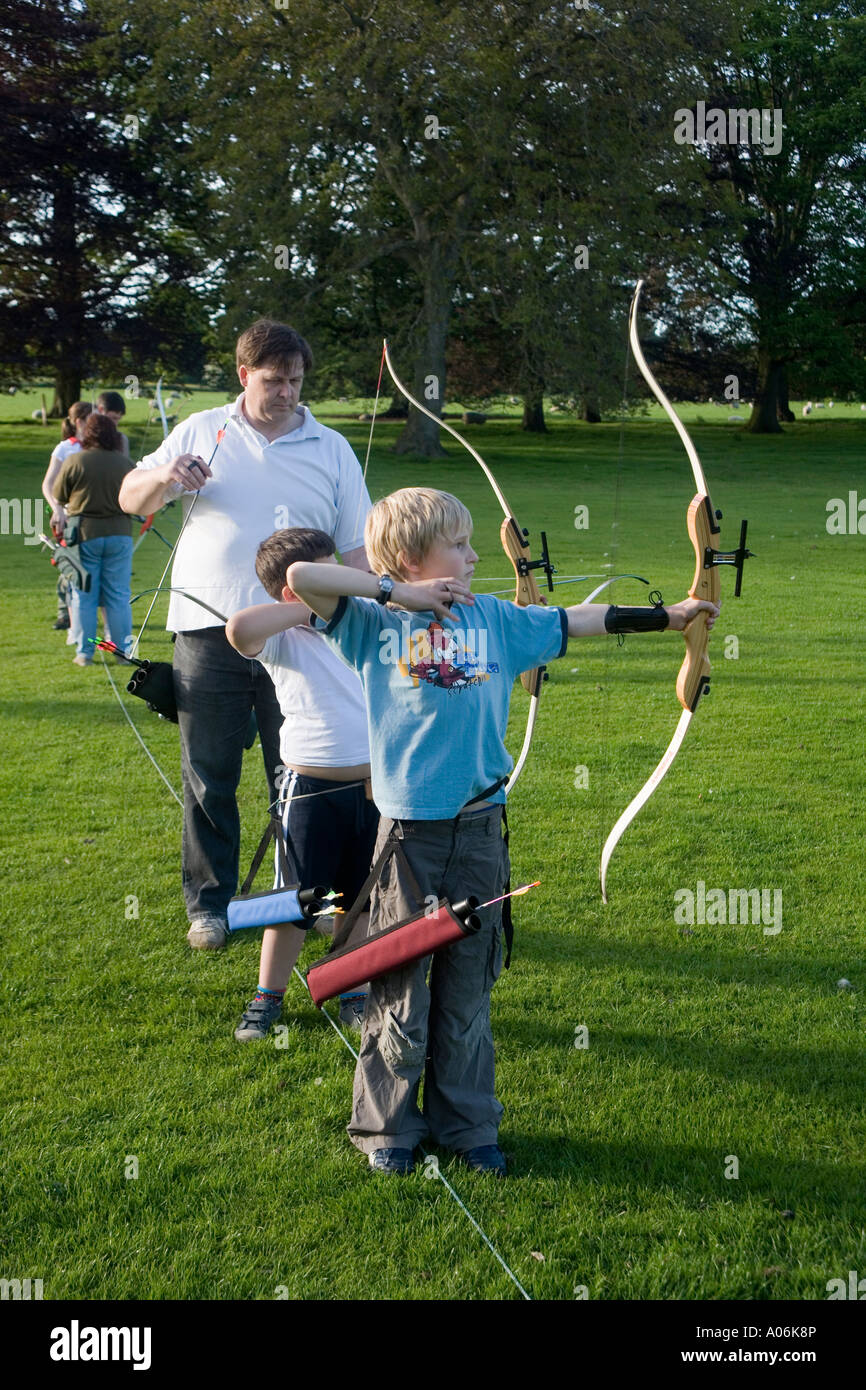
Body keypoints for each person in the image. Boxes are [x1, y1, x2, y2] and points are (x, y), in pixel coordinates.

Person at [288, 485, 719, 1177]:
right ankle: (387, 1128)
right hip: (409, 841)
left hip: (481, 833)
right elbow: (302, 578)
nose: (474, 552)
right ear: (407, 555)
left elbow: (576, 620)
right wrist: (398, 593)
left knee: (467, 990)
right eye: (457, 543)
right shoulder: (372, 625)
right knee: (401, 985)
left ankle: (467, 1124)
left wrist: (669, 617)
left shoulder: (494, 618)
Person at [118, 320, 372, 950]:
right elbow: (130, 498)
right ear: (243, 376)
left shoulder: (331, 446)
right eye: (273, 379)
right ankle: (211, 907)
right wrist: (166, 477)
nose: (287, 391)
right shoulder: (202, 430)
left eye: (295, 379)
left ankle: (310, 901)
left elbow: (361, 548)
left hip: (303, 635)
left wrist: (356, 607)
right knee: (210, 775)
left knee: (299, 775)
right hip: (207, 630)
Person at [226, 527, 378, 1038]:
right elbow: (239, 629)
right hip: (310, 791)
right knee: (301, 899)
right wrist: (307, 610)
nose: (343, 578)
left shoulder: (361, 624)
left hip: (375, 788)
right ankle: (268, 998)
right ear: (295, 591)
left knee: (356, 899)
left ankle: (352, 992)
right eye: (326, 573)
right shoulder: (284, 640)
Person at [53, 413, 134, 666]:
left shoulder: (75, 461)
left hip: (85, 534)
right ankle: (121, 653)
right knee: (118, 596)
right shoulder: (125, 464)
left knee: (84, 595)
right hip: (120, 533)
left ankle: (84, 653)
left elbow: (59, 495)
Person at [41, 402, 93, 631]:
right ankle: (65, 613)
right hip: (69, 516)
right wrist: (57, 508)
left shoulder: (97, 446)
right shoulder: (64, 448)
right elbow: (48, 484)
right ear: (79, 422)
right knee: (69, 564)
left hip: (94, 517)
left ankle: (87, 612)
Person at [96, 391, 130, 456]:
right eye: (113, 418)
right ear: (101, 410)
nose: (115, 424)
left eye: (118, 419)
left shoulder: (121, 439)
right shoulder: (87, 436)